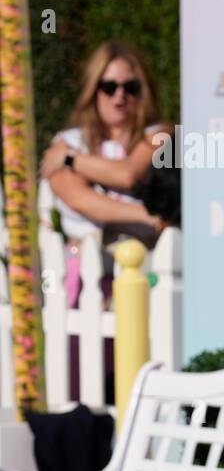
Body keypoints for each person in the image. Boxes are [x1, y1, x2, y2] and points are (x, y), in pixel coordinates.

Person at [37, 41, 172, 304]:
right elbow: (79, 199)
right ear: (93, 89)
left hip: (146, 268)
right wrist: (151, 216)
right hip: (84, 275)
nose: (119, 96)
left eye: (130, 87)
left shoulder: (159, 134)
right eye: (109, 87)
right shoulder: (69, 139)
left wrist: (69, 159)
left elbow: (127, 174)